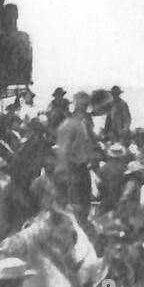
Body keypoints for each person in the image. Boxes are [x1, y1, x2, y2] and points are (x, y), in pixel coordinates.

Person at [54, 92, 95, 221]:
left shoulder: (81, 124)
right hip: (72, 170)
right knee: (75, 209)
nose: (84, 108)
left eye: (86, 105)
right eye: (83, 105)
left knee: (82, 207)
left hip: (79, 169)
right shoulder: (70, 125)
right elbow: (63, 151)